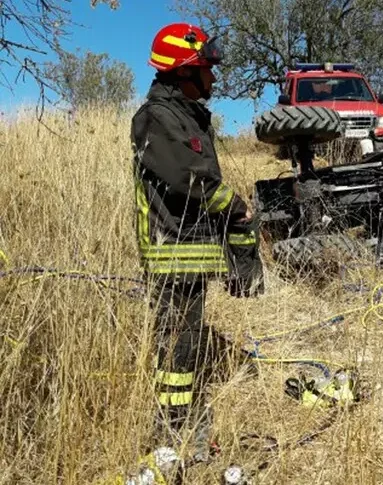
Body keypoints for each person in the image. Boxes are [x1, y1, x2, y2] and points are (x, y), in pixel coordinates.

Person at [130, 22, 264, 463]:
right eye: (207, 68)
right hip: (172, 251)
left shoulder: (186, 116)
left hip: (192, 249)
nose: (214, 77)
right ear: (184, 71)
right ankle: (173, 427)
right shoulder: (157, 117)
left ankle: (181, 418)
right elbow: (190, 181)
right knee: (177, 345)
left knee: (185, 339)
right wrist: (236, 206)